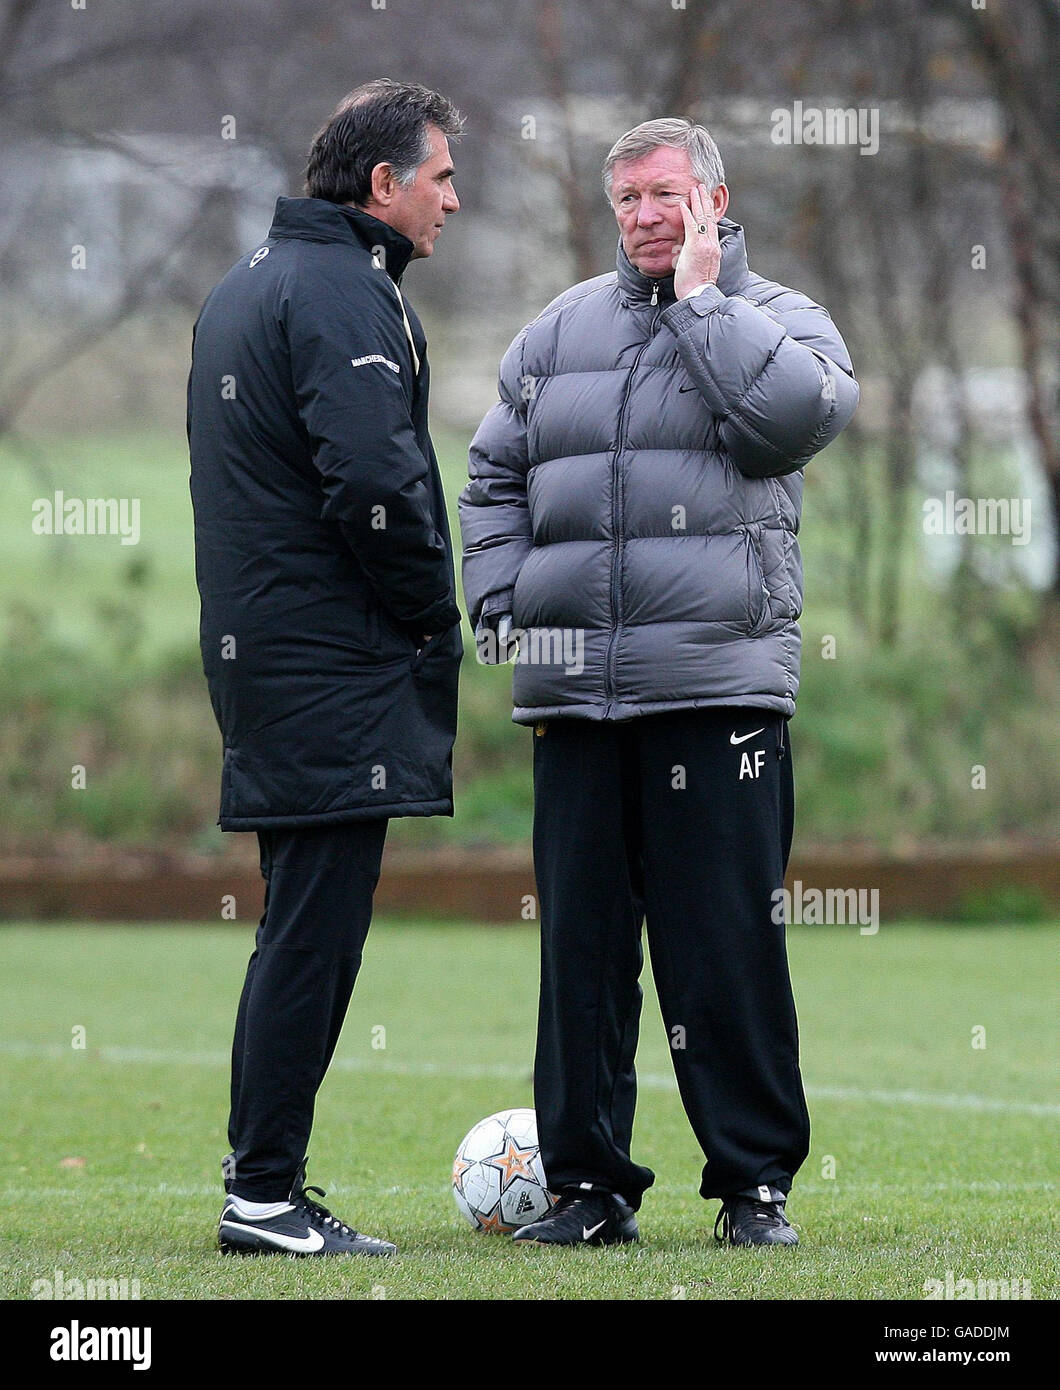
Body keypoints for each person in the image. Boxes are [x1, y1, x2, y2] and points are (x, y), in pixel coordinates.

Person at [459, 118, 858, 1248]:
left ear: (714, 202)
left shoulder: (783, 320)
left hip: (716, 691)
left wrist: (699, 304)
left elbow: (787, 424)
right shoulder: (555, 332)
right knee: (580, 957)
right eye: (628, 197)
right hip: (574, 694)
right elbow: (491, 476)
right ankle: (588, 1191)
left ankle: (753, 1188)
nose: (644, 215)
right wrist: (505, 606)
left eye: (666, 194)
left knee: (723, 951)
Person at [187, 80, 464, 1256]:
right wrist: (433, 613)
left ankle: (262, 1182)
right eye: (440, 176)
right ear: (382, 184)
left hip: (271, 651)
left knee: (296, 921)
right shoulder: (342, 288)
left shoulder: (248, 282)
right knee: (312, 929)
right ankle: (263, 1195)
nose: (455, 198)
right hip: (328, 661)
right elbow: (375, 484)